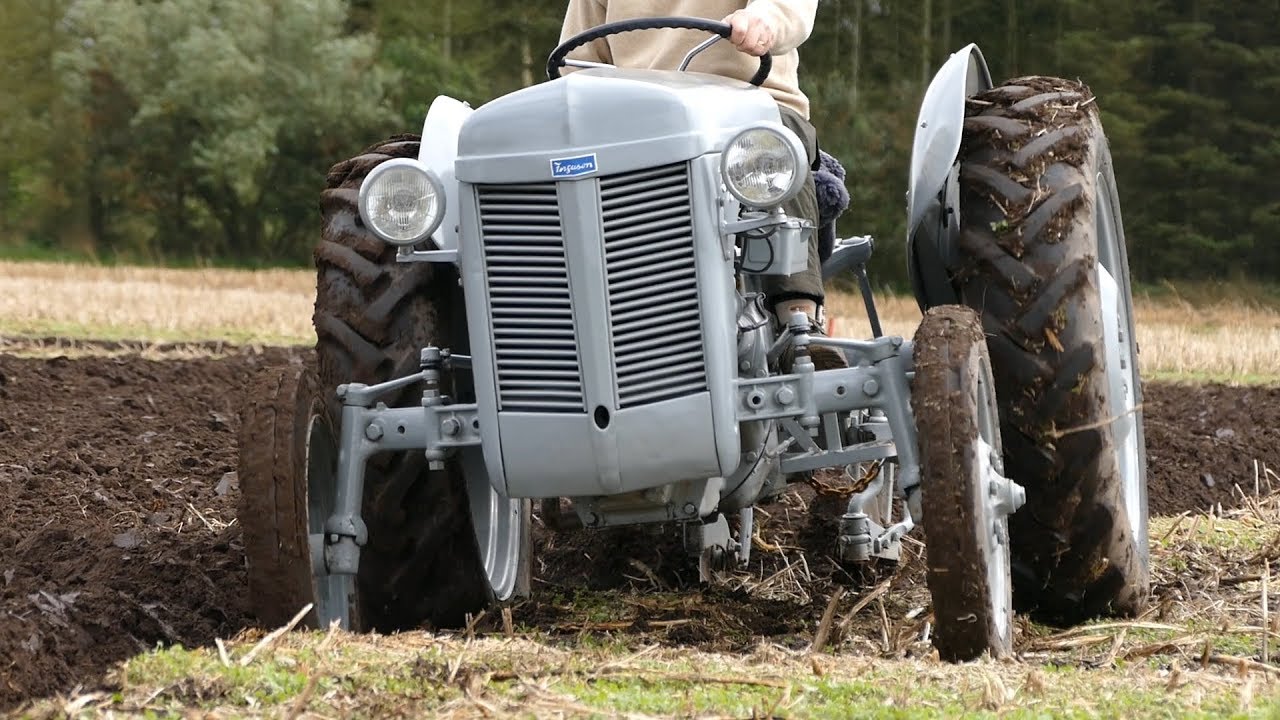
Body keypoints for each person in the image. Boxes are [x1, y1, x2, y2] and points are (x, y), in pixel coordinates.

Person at [559, 0, 845, 371]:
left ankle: (799, 324)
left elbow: (787, 7)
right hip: (638, 123)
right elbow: (575, 59)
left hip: (746, 104)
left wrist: (762, 21)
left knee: (770, 141)